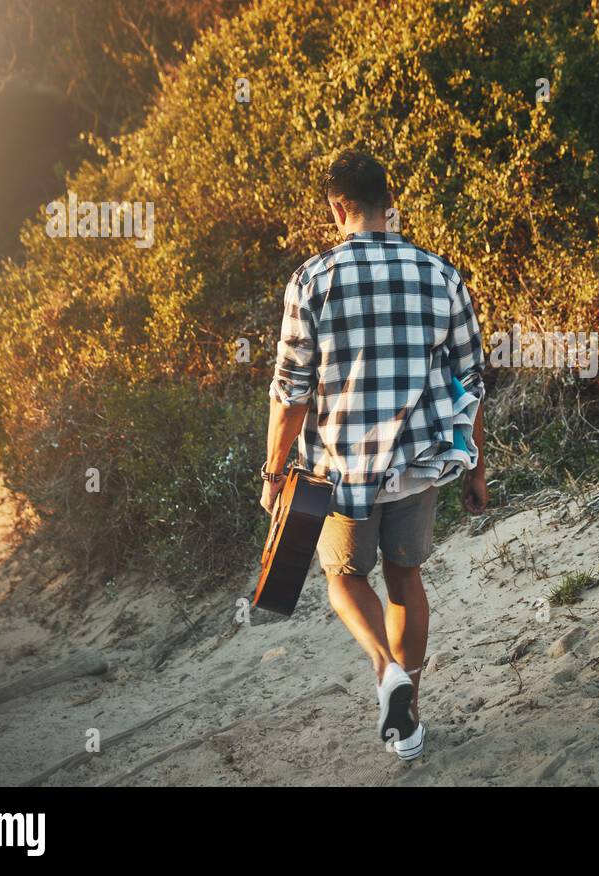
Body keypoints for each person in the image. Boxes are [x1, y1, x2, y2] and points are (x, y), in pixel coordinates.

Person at [261, 150, 489, 762]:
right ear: (389, 202)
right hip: (418, 463)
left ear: (339, 208)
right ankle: (408, 714)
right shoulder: (440, 274)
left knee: (342, 576)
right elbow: (471, 381)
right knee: (405, 576)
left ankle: (386, 670)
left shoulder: (312, 280)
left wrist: (273, 470)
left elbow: (291, 393)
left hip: (341, 470)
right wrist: (478, 467)